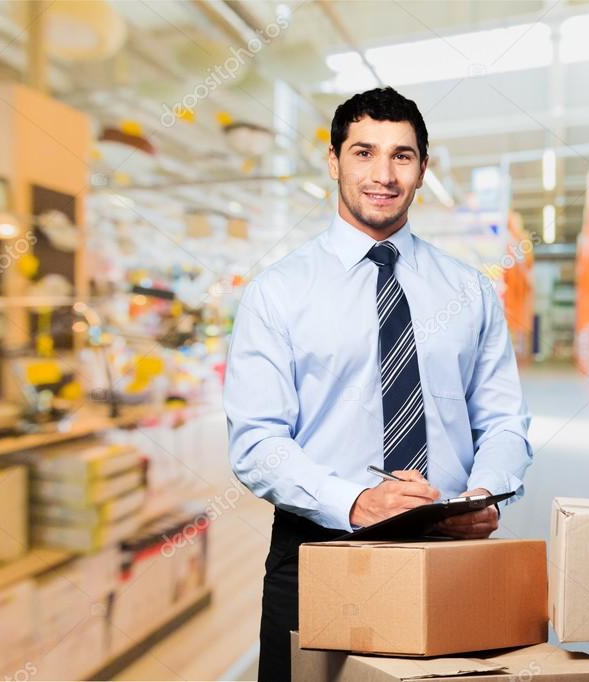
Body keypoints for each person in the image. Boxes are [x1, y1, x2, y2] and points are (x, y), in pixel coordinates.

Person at [223, 86, 533, 681]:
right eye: (364, 152)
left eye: (402, 155)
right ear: (334, 161)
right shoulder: (278, 292)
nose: (383, 174)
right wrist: (358, 503)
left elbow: (502, 421)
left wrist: (486, 490)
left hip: (447, 550)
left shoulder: (469, 290)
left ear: (422, 169)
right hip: (319, 548)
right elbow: (258, 440)